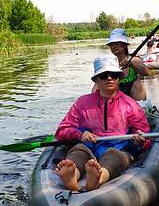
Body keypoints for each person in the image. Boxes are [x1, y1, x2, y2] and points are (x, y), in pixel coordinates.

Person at [55, 56, 151, 191]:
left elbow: (145, 134)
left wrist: (139, 140)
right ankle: (72, 175)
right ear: (96, 80)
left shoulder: (130, 105)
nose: (109, 78)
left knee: (114, 157)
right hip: (89, 146)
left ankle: (98, 177)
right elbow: (62, 131)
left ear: (119, 78)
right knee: (78, 151)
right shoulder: (82, 103)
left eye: (114, 75)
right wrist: (80, 134)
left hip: (119, 149)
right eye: (104, 75)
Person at [95, 28, 149, 101]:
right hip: (116, 96)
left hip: (133, 95)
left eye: (116, 44)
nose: (113, 47)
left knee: (138, 83)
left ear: (124, 45)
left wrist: (132, 64)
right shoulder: (108, 63)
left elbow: (146, 72)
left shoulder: (134, 60)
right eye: (111, 44)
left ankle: (139, 109)